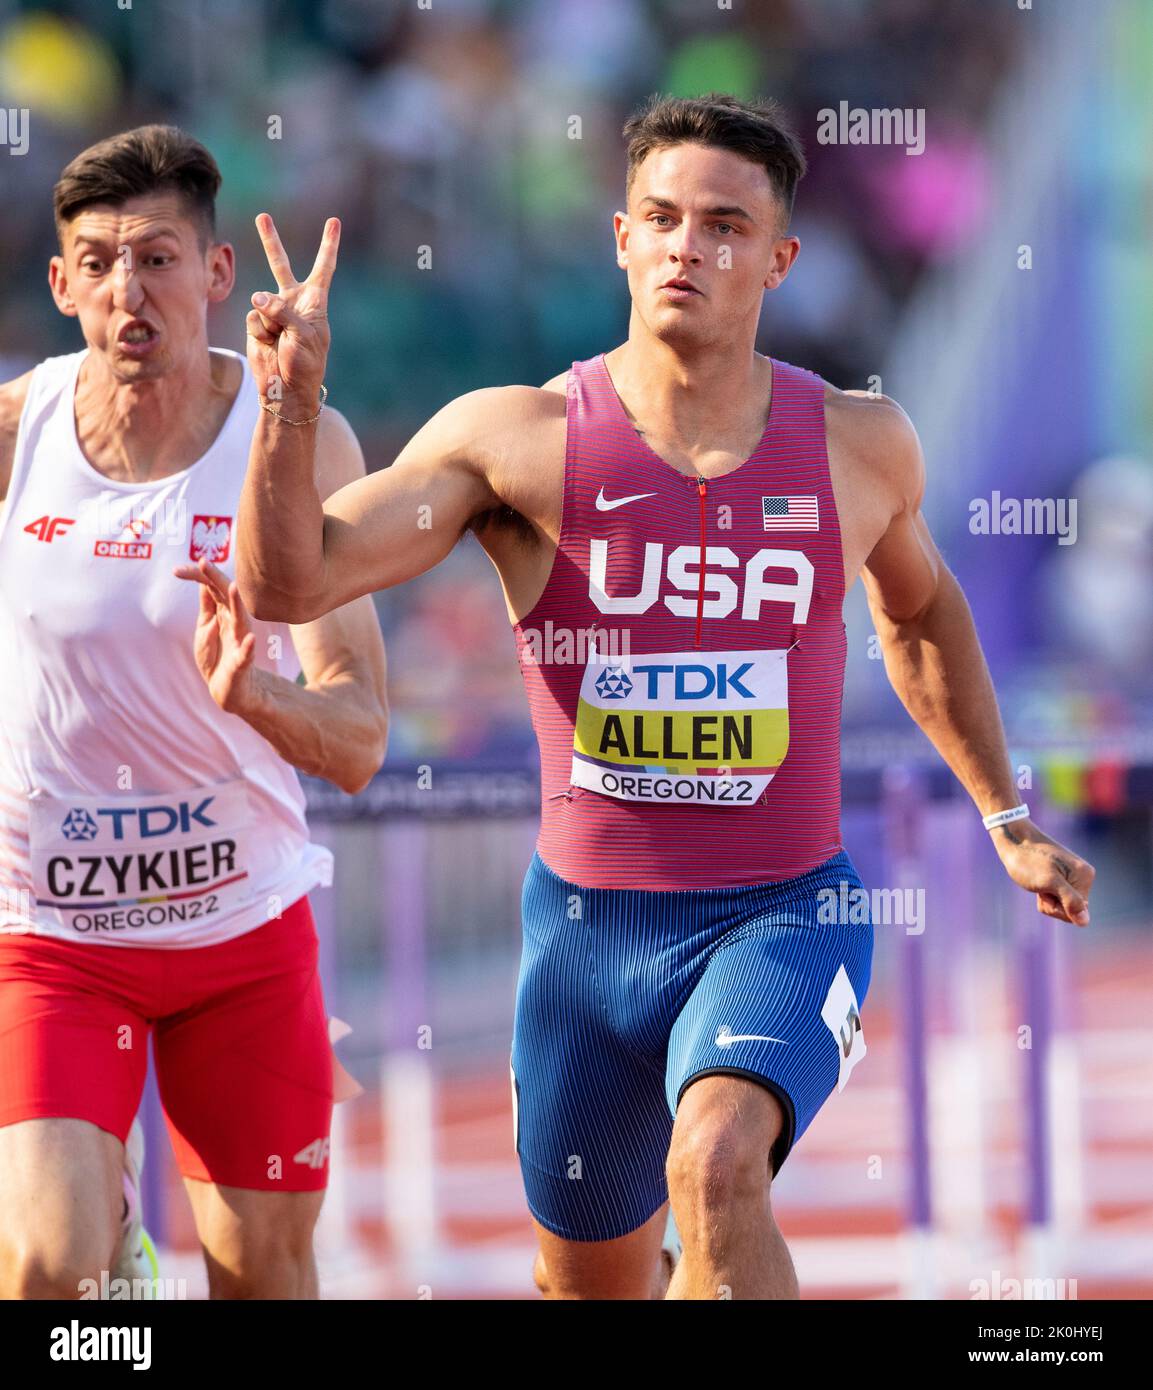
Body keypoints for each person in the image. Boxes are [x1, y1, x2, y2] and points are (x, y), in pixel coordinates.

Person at [234, 93, 1095, 1300]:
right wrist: (289, 407)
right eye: (661, 218)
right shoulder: (516, 441)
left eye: (725, 226)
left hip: (783, 913)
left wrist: (1005, 818)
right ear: (622, 239)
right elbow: (291, 580)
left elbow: (922, 613)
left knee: (718, 1161)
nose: (688, 246)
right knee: (594, 1281)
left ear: (779, 259)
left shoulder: (858, 444)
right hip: (584, 941)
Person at [0, 124, 388, 1300]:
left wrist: (252, 694)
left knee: (262, 1279)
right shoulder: (15, 432)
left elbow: (361, 738)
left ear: (218, 277)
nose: (132, 289)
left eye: (160, 257)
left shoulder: (301, 444)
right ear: (63, 284)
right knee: (45, 1270)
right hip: (57, 943)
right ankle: (118, 1290)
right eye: (102, 260)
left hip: (240, 939)